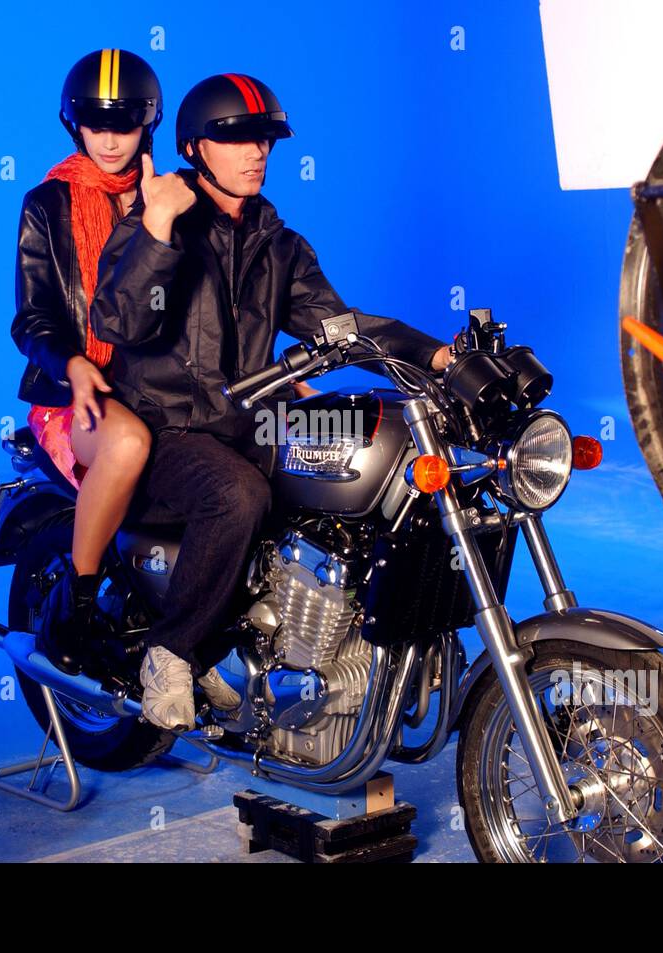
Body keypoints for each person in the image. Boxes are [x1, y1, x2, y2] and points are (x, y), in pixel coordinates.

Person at [92, 72, 453, 730]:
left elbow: (341, 328)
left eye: (264, 137)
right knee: (238, 495)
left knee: (371, 444)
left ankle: (342, 644)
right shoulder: (156, 223)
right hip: (164, 429)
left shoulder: (277, 246)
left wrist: (437, 357)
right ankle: (171, 652)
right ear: (195, 148)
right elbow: (120, 324)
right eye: (236, 139)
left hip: (252, 420)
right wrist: (157, 230)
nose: (256, 151)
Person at [10, 48, 161, 676]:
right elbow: (32, 317)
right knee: (125, 446)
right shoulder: (47, 204)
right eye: (95, 125)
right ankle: (74, 602)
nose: (109, 140)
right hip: (74, 396)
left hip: (161, 386)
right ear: (74, 125)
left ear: (147, 124)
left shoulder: (169, 197)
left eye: (123, 125)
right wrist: (72, 363)